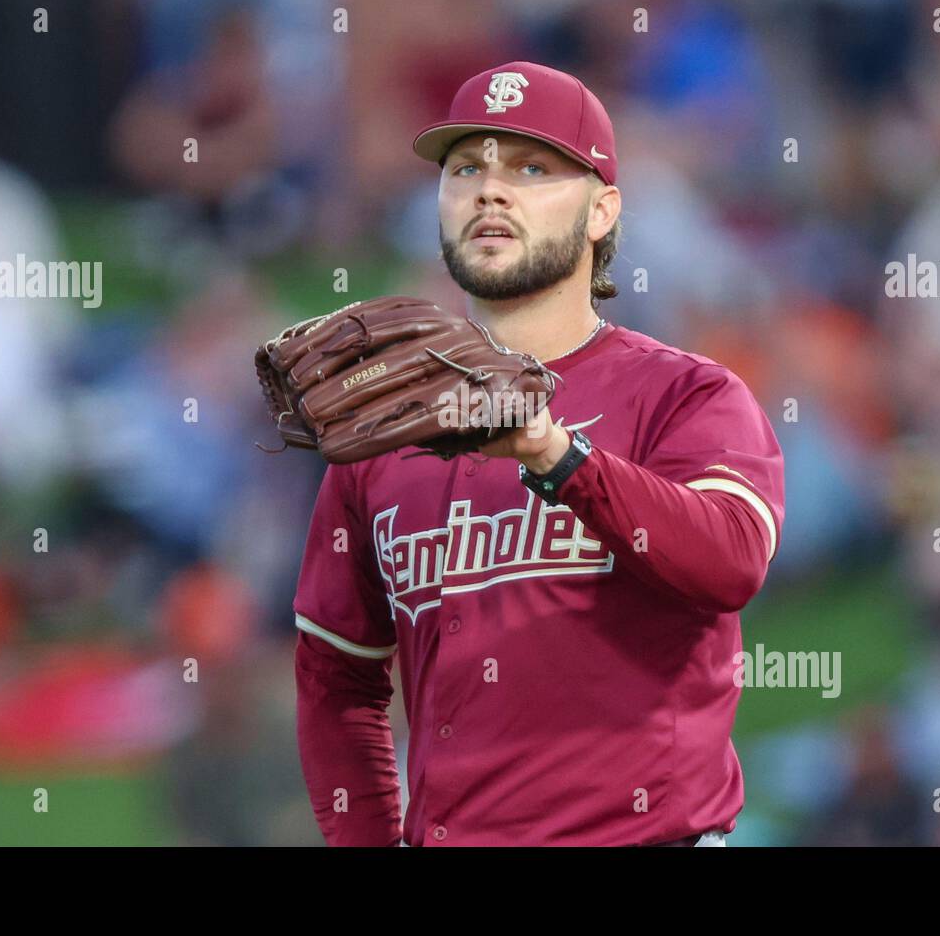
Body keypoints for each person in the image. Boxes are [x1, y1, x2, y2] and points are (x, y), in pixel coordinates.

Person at [292, 61, 784, 846]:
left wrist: (554, 451)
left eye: (530, 167)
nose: (490, 190)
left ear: (601, 212)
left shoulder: (686, 396)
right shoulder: (382, 436)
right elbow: (335, 680)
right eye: (465, 168)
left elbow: (731, 562)